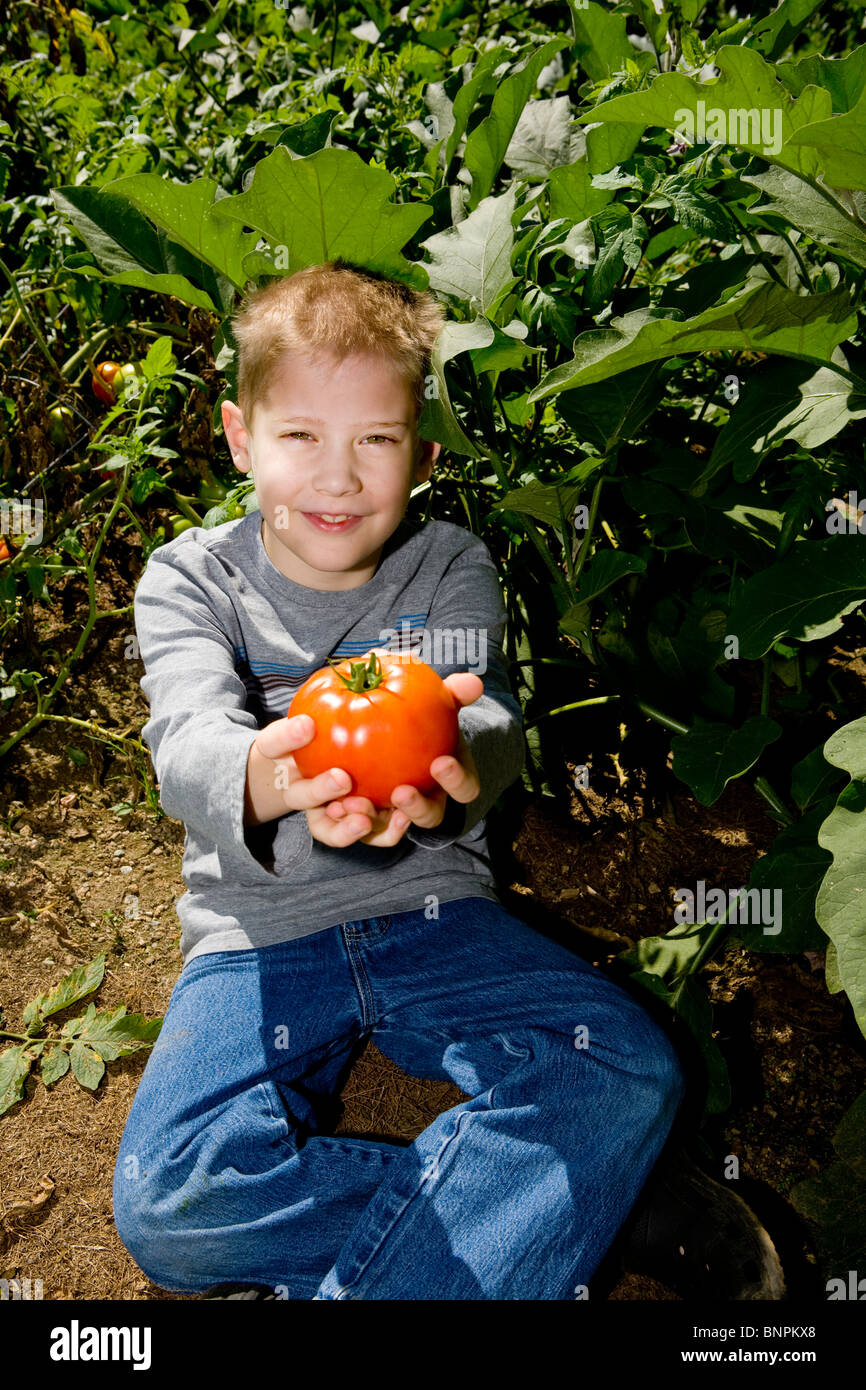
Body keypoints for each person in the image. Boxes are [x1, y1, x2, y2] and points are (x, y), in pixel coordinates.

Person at [111, 260, 775, 1301]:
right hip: (258, 937)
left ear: (419, 457)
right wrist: (261, 768)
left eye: (373, 442)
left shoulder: (450, 564)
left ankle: (543, 1199)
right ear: (239, 437)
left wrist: (462, 756)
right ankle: (565, 1202)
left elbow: (488, 711)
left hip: (433, 918)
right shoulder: (190, 575)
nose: (337, 478)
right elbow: (185, 738)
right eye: (299, 438)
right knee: (169, 1202)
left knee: (629, 1064)